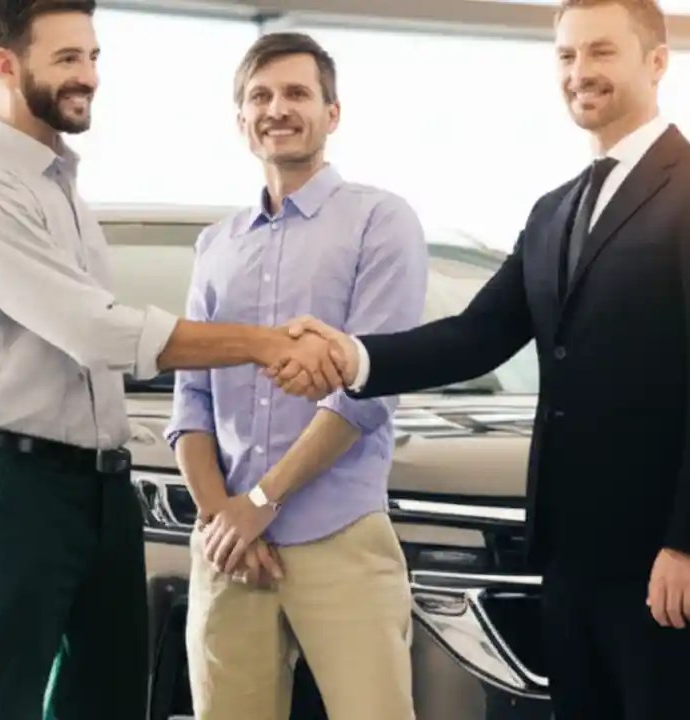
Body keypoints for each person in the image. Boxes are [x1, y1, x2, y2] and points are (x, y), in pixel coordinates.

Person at [278, 0, 690, 718]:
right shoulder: (553, 211)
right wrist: (350, 354)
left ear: (656, 61)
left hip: (664, 556)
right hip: (568, 557)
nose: (580, 73)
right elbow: (475, 336)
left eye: (601, 52)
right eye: (567, 56)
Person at [0, 2, 340, 719]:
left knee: (107, 703)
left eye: (92, 57)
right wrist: (264, 342)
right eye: (66, 60)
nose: (86, 76)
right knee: (1, 706)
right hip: (13, 490)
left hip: (104, 489)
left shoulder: (63, 190)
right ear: (5, 65)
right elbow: (98, 333)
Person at [166, 32, 427, 720]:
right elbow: (190, 400)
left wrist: (262, 503)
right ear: (241, 120)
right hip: (226, 549)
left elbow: (367, 391)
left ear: (332, 113)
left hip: (338, 535)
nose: (277, 108)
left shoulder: (380, 220)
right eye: (260, 96)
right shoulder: (215, 246)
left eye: (296, 93)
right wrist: (223, 514)